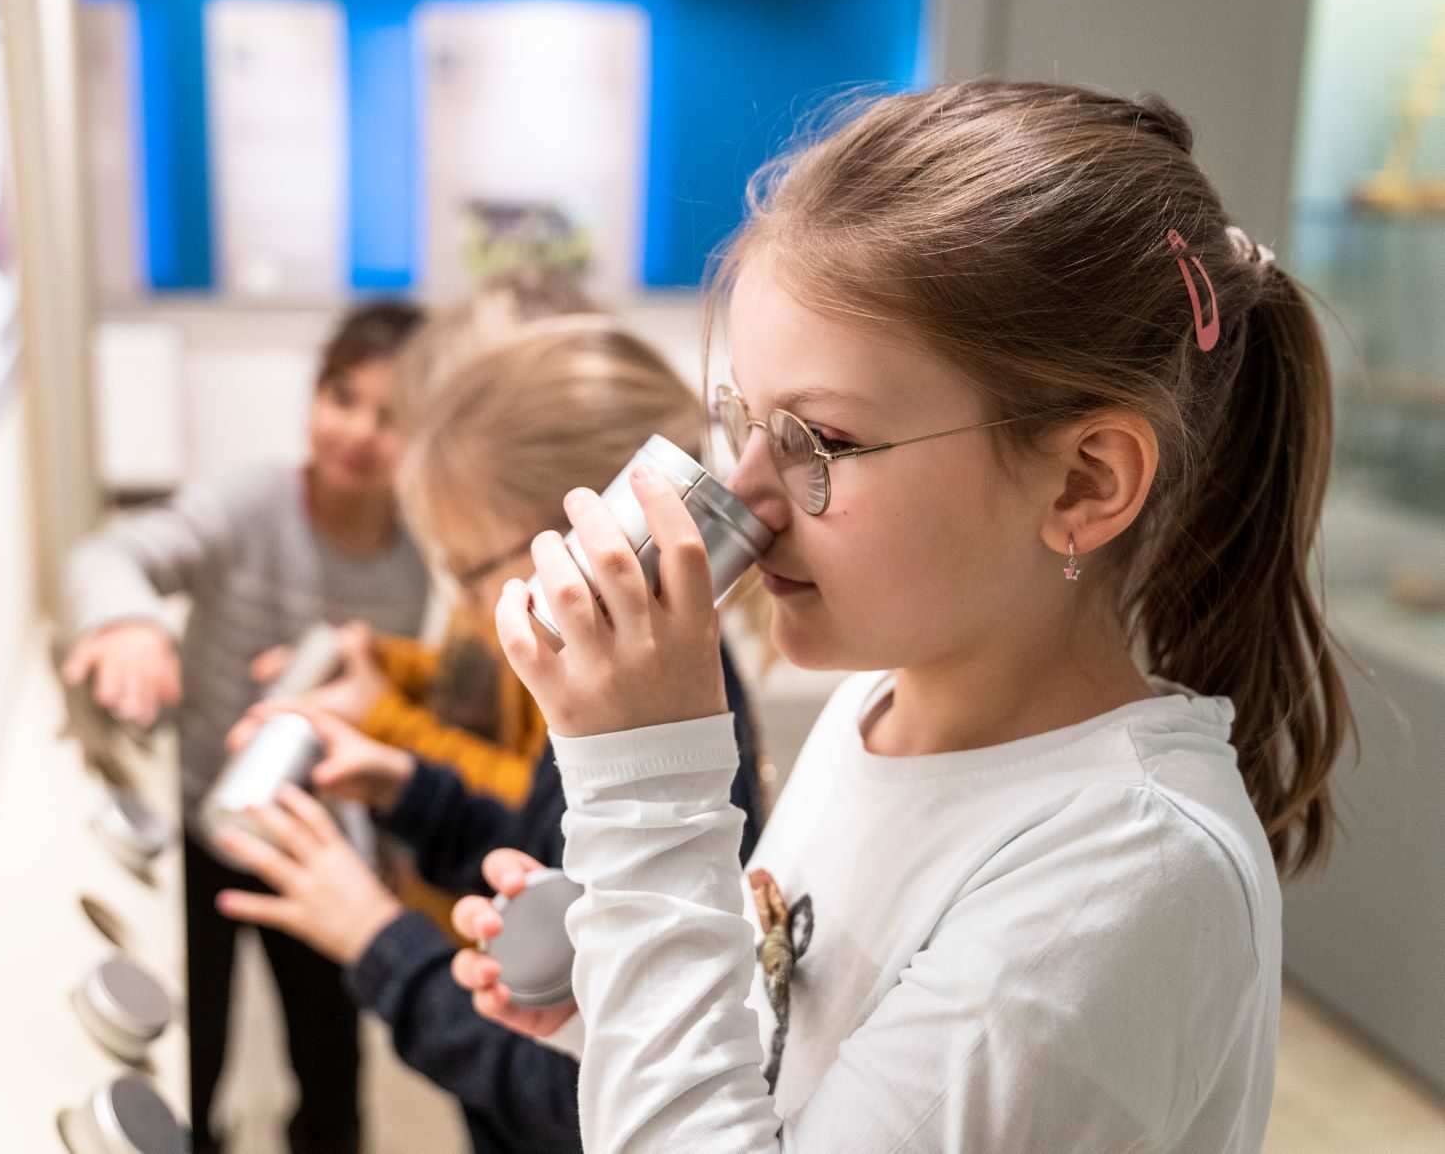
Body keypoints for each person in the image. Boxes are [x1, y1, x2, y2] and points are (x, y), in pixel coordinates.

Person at [453, 81, 1356, 1152]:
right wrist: (627, 980)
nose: (743, 494)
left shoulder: (1128, 872)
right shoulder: (873, 713)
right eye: (739, 417)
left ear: (1082, 484)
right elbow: (810, 1063)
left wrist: (649, 806)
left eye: (819, 441)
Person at [215, 319, 767, 1154]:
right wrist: (408, 788)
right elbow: (545, 867)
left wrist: (378, 941)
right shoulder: (615, 687)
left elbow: (575, 1091)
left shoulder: (662, 721)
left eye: (472, 570)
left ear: (595, 539)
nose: (471, 607)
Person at [60, 301, 429, 1154]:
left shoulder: (407, 570)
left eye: (393, 418)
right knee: (198, 1057)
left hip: (309, 846)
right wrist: (130, 622)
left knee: (332, 1068)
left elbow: (390, 725)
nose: (359, 432)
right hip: (198, 828)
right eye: (342, 396)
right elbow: (106, 556)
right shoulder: (250, 502)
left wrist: (398, 856)